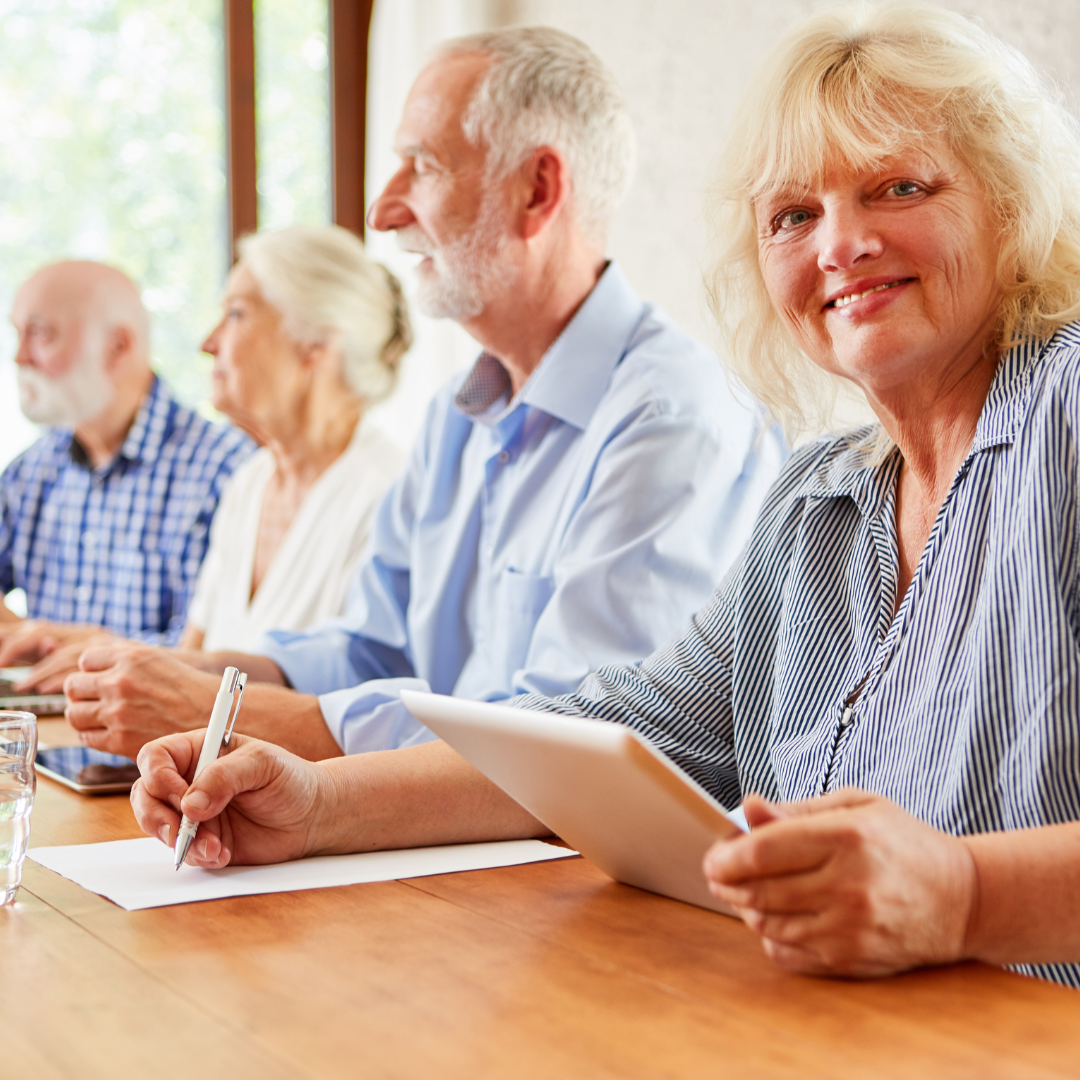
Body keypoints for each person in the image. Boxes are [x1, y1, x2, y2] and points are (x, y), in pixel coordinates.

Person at [134, 4, 1080, 990]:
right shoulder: (817, 505)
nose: (839, 246)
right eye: (794, 216)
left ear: (1010, 206)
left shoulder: (1068, 414)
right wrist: (320, 806)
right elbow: (608, 737)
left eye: (896, 187)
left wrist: (964, 892)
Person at [62, 26, 783, 761]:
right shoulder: (457, 417)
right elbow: (373, 653)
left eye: (422, 166)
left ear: (537, 190)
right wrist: (190, 673)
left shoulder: (671, 421)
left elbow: (567, 750)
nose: (382, 211)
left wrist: (222, 713)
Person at [0, 261, 252, 669]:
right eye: (17, 333)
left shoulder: (226, 471)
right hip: (46, 729)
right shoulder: (31, 471)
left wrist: (96, 653)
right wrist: (26, 642)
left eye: (41, 333)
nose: (19, 356)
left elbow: (211, 658)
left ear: (117, 346)